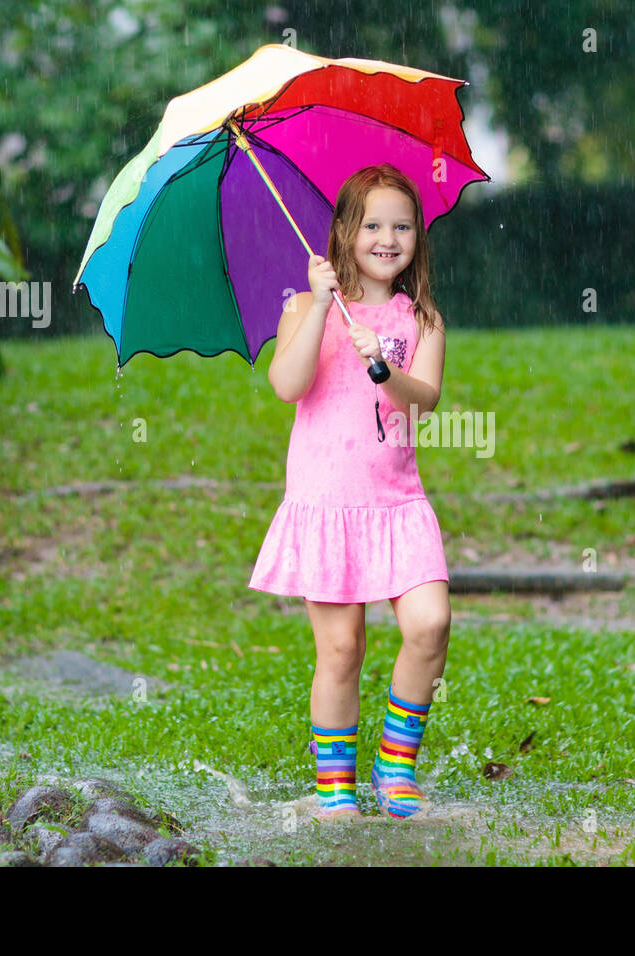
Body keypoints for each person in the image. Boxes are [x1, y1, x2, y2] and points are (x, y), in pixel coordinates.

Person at [248, 163, 451, 820]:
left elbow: (423, 401)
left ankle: (395, 768)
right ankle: (335, 785)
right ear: (343, 231)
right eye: (372, 224)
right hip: (328, 504)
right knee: (341, 649)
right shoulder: (305, 307)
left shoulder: (420, 318)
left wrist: (385, 366)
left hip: (396, 505)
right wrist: (315, 307)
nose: (388, 238)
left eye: (403, 226)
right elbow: (288, 384)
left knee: (430, 624)